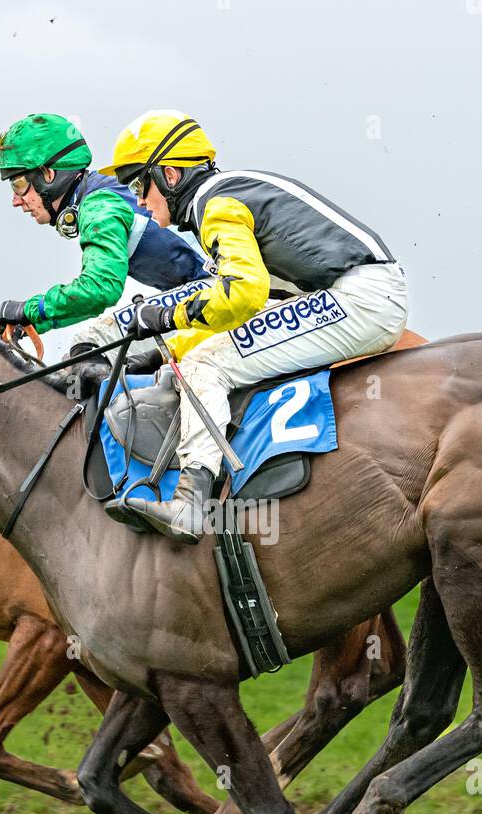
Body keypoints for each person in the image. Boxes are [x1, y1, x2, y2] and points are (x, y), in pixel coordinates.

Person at [100, 111, 409, 544]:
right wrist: (173, 343)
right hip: (357, 292)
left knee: (205, 368)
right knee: (194, 359)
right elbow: (255, 306)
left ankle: (190, 502)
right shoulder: (227, 193)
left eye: (138, 184)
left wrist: (169, 317)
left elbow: (243, 292)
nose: (139, 201)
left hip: (360, 297)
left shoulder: (218, 205)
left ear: (169, 175)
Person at [0, 112, 212, 393]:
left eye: (18, 184)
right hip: (201, 292)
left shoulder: (98, 205)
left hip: (210, 293)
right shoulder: (100, 194)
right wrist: (32, 321)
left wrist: (29, 309)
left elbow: (99, 289)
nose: (16, 200)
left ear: (48, 175)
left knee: (89, 341)